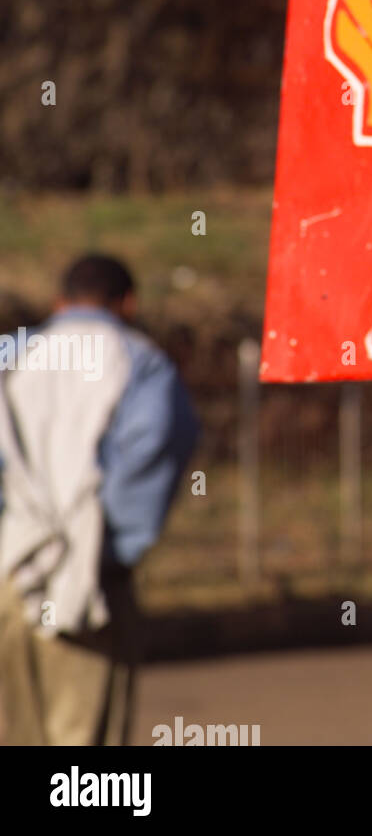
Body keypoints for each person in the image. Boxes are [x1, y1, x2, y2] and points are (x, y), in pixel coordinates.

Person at [0, 254, 199, 745]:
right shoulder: (139, 361)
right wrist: (106, 549)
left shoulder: (14, 354)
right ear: (127, 304)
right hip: (89, 587)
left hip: (9, 577)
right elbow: (152, 446)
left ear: (59, 302)